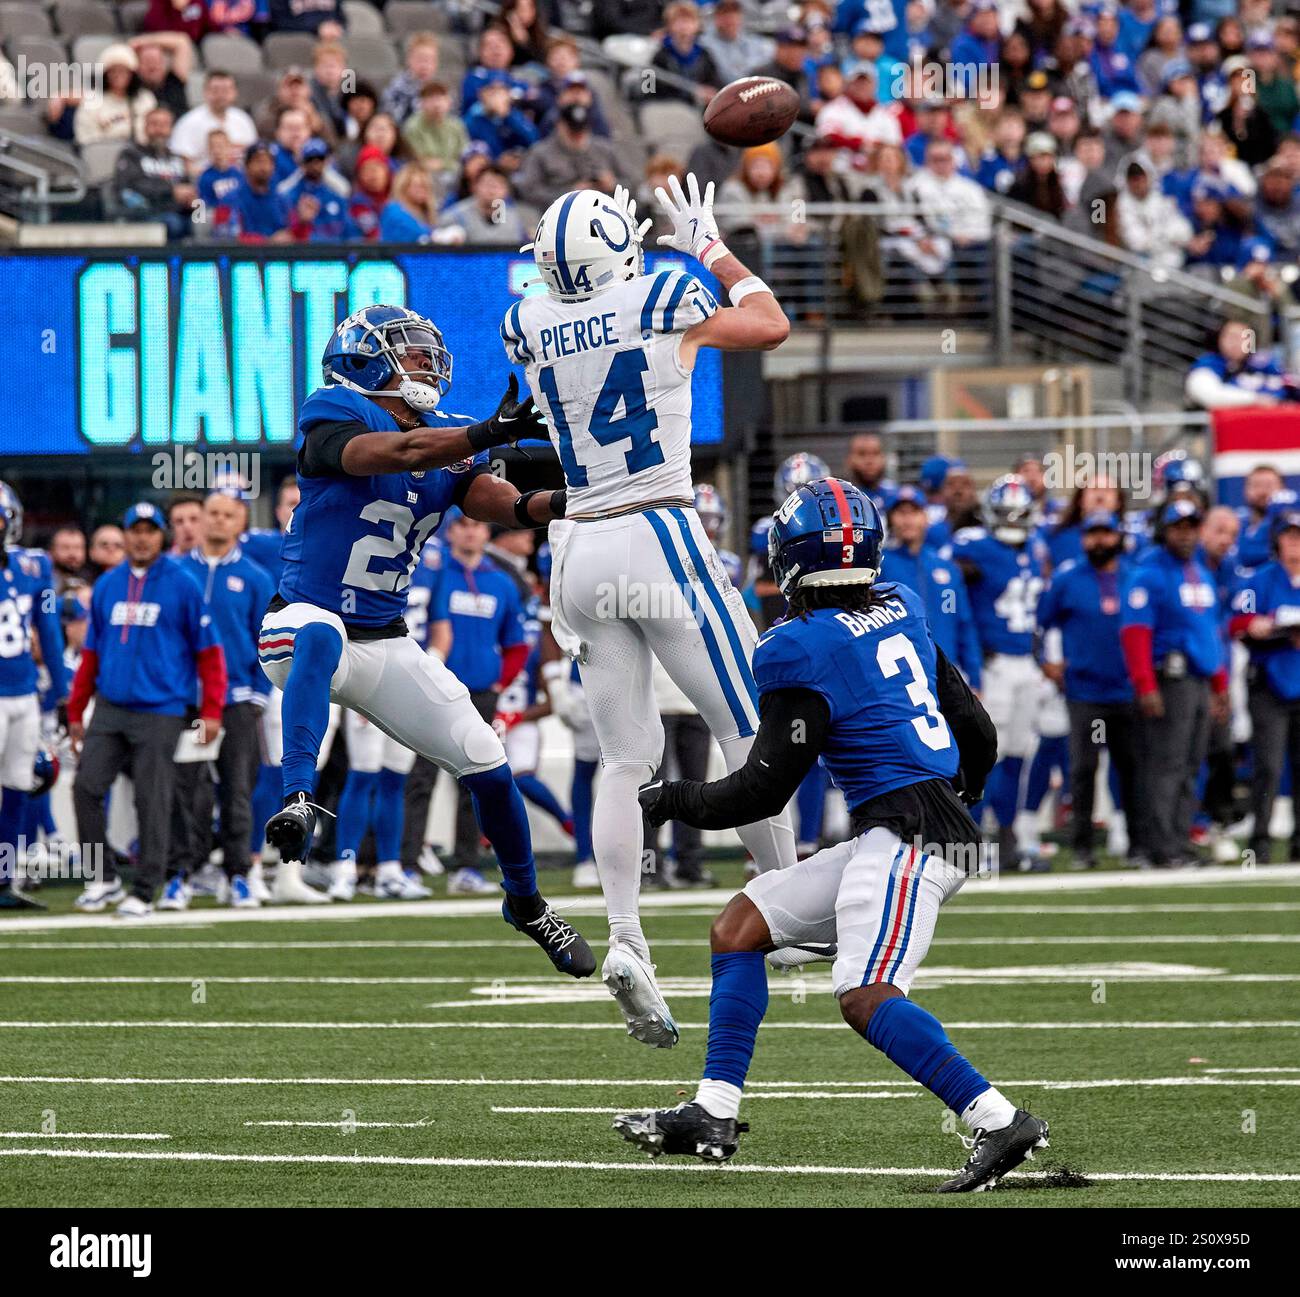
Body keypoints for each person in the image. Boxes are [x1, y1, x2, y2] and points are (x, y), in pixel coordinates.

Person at [621, 478, 1051, 1192]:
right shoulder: (902, 606)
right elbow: (975, 726)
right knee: (739, 925)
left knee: (863, 992)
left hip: (909, 834)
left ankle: (997, 1117)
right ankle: (713, 1110)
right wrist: (961, 794)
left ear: (788, 558)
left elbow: (762, 788)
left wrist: (671, 797)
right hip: (918, 822)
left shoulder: (798, 646)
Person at [501, 176, 796, 1047]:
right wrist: (706, 240)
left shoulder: (527, 322)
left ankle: (627, 934)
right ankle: (788, 903)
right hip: (659, 528)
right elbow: (769, 320)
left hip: (579, 546)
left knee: (626, 755)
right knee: (749, 725)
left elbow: (576, 316)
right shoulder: (664, 291)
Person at [256, 303, 593, 976]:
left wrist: (566, 499)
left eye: (426, 352)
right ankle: (297, 797)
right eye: (409, 353)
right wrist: (481, 432)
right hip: (296, 623)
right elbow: (398, 452)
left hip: (385, 641)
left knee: (488, 762)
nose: (427, 364)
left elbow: (495, 501)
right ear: (364, 359)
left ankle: (526, 904)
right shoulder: (336, 408)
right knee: (320, 633)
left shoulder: (445, 435)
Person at [68, 503, 227, 916]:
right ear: (125, 534)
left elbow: (210, 654)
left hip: (161, 708)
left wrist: (211, 710)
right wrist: (75, 711)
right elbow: (90, 655)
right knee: (85, 787)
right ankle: (101, 877)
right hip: (111, 705)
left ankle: (145, 888)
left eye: (150, 531)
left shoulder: (184, 583)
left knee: (151, 798)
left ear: (160, 536)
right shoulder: (107, 585)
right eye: (134, 530)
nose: (142, 538)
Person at [163, 489, 274, 911]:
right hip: (183, 698)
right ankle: (181, 875)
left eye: (228, 515)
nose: (218, 521)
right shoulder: (174, 572)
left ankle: (238, 875)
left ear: (240, 522)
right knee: (183, 792)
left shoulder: (256, 577)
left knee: (237, 791)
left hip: (236, 697)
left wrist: (260, 696)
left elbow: (268, 643)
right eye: (212, 513)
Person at [1120, 498, 1229, 867]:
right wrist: (1145, 683)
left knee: (1188, 765)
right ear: (1164, 530)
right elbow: (1135, 632)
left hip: (1198, 679)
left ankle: (1179, 841)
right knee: (1165, 765)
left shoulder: (1198, 570)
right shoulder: (1149, 572)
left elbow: (1210, 632)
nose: (1185, 534)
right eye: (1178, 527)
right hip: (1170, 677)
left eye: (1191, 526)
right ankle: (1160, 845)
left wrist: (1219, 682)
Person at [428, 510, 529, 894]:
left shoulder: (501, 583)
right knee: (417, 778)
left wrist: (499, 682)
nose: (470, 533)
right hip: (432, 689)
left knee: (476, 780)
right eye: (462, 525)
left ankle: (466, 866)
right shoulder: (435, 573)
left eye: (477, 525)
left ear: (487, 532)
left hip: (481, 694)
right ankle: (400, 864)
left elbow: (517, 643)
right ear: (450, 531)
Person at [1034, 510, 1140, 868]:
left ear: (1118, 536)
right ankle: (1082, 847)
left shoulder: (1133, 576)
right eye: (1092, 534)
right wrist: (1045, 662)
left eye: (1106, 534)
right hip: (1084, 692)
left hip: (1127, 691)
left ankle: (1135, 841)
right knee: (1083, 770)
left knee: (1131, 768)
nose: (1099, 541)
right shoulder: (1067, 579)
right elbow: (1040, 624)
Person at [952, 476, 1045, 863]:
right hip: (994, 664)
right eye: (1005, 513)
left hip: (1029, 662)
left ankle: (1008, 836)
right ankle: (972, 837)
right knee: (989, 753)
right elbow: (950, 563)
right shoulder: (972, 545)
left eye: (1018, 513)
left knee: (1022, 751)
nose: (1011, 520)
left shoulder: (1037, 549)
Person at [0, 484, 67, 910]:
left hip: (24, 691)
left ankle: (6, 879)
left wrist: (62, 693)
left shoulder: (34, 566)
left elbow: (49, 632)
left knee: (20, 786)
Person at [1231, 503, 1300, 864]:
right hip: (1269, 681)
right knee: (1269, 765)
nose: (1296, 545)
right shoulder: (1259, 580)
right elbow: (1236, 622)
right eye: (1290, 537)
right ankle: (1259, 841)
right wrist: (1260, 626)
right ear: (1279, 542)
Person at [879, 486, 982, 689]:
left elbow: (959, 620)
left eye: (914, 512)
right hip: (899, 677)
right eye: (901, 513)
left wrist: (974, 674)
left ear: (926, 516)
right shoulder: (880, 566)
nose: (907, 520)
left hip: (946, 672)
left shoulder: (946, 568)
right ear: (891, 518)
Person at [170, 70, 257, 175]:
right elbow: (183, 165)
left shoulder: (243, 120)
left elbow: (254, 157)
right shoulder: (189, 122)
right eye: (215, 90)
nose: (221, 95)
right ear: (205, 92)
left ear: (235, 92)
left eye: (225, 90)